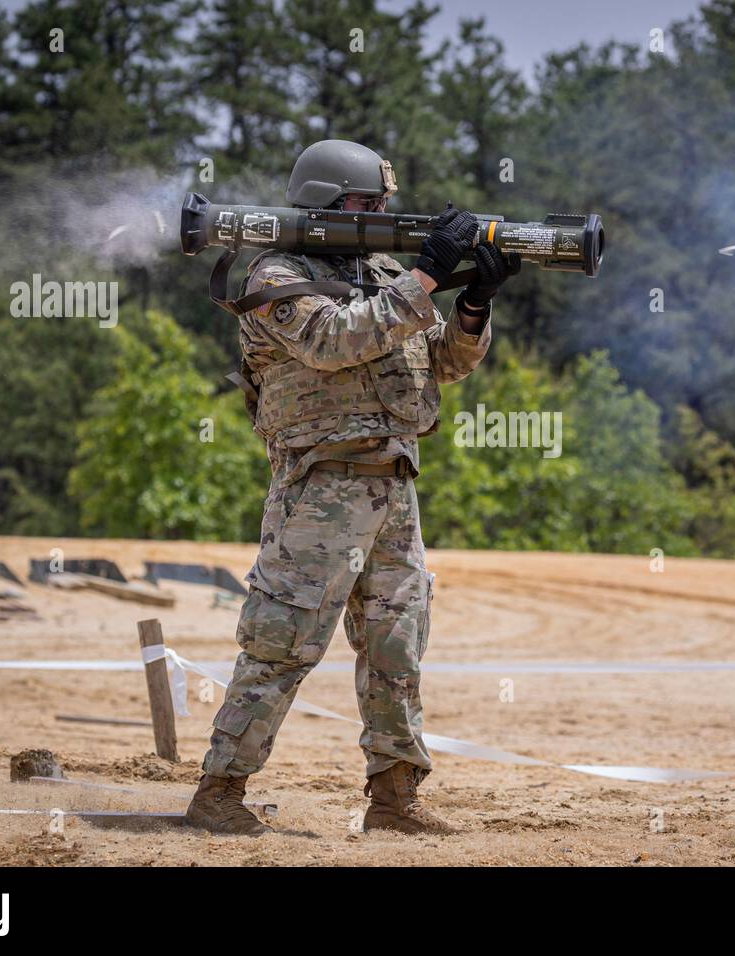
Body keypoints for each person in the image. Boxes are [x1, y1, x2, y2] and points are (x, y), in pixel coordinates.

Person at [185, 139, 515, 836]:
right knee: (283, 640)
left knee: (398, 644)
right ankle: (220, 791)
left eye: (385, 204)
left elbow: (441, 366)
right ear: (327, 203)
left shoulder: (384, 272)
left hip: (394, 483)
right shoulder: (275, 276)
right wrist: (425, 278)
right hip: (320, 488)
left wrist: (475, 304)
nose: (383, 214)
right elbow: (337, 340)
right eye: (370, 204)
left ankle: (395, 802)